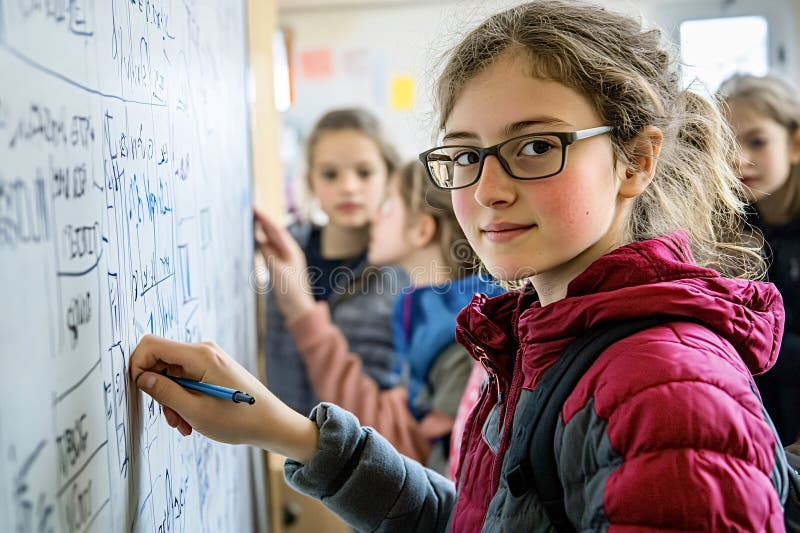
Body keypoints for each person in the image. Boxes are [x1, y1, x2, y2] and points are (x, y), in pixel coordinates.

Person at [130, 1, 794, 529]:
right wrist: (291, 432)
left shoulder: (662, 388)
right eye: (465, 153)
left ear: (637, 158)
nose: (488, 189)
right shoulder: (540, 335)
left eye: (536, 145)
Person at [256, 161, 503, 473]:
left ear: (422, 230)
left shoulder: (467, 335)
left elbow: (422, 452)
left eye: (388, 206)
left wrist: (302, 310)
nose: (374, 217)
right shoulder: (426, 314)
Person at [263, 108, 403, 417]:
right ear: (311, 182)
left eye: (364, 173)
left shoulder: (403, 270)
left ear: (390, 178)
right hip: (287, 444)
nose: (349, 186)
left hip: (367, 450)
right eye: (330, 174)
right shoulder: (283, 254)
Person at [717, 73, 800, 446]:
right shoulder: (729, 228)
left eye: (757, 141)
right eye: (727, 144)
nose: (740, 159)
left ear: (796, 144)